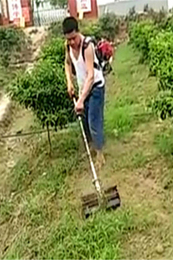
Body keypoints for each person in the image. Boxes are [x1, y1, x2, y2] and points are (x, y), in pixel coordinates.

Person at [63, 17, 106, 169]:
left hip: (95, 87)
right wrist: (69, 82)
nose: (72, 42)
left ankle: (100, 154)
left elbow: (90, 75)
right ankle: (92, 147)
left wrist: (81, 100)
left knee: (94, 121)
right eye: (68, 39)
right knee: (85, 122)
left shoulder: (87, 46)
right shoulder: (68, 46)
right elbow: (67, 63)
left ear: (78, 32)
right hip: (83, 89)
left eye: (74, 38)